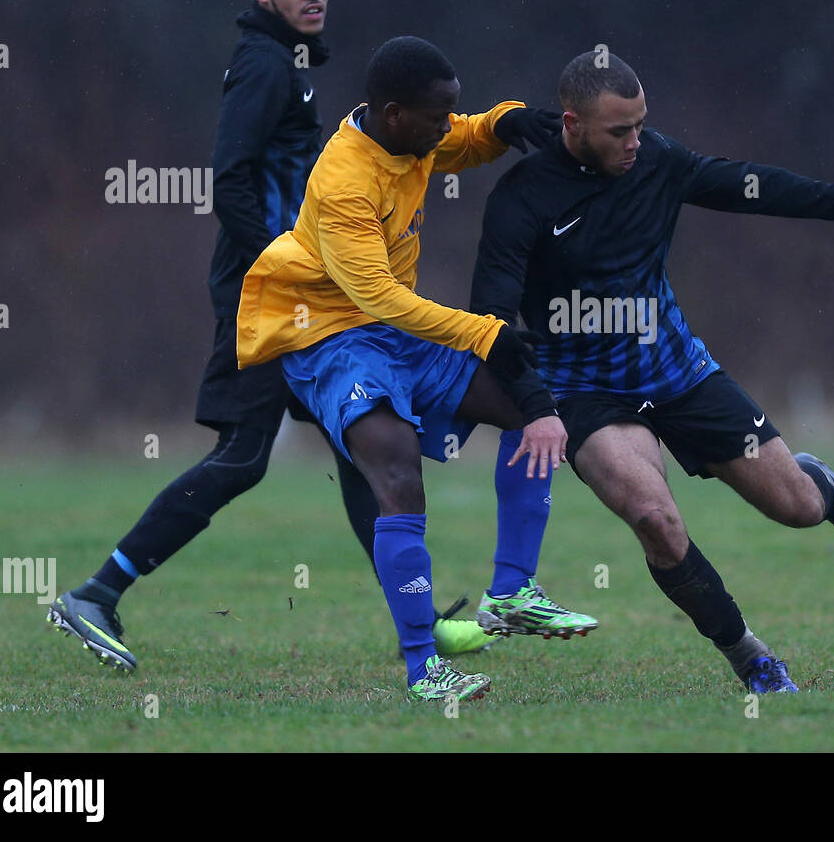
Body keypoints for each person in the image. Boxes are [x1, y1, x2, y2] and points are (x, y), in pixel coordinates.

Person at [47, 0, 486, 671]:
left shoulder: (289, 58)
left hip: (305, 305)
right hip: (272, 304)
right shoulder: (265, 65)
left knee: (361, 452)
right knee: (244, 458)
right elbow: (230, 179)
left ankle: (419, 622)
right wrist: (281, 272)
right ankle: (97, 592)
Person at [469, 51, 834, 693]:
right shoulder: (521, 199)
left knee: (795, 509)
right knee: (655, 519)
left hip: (678, 373)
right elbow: (488, 321)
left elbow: (754, 186)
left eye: (640, 125)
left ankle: (818, 484)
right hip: (583, 393)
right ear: (571, 124)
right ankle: (750, 656)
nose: (635, 143)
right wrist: (535, 404)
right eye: (618, 132)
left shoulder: (656, 160)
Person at [235, 35, 598, 702]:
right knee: (399, 475)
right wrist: (487, 334)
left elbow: (471, 139)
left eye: (449, 111)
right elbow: (378, 298)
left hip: (396, 333)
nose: (445, 125)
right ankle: (425, 671)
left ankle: (512, 590)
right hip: (331, 340)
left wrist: (508, 121)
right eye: (437, 115)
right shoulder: (345, 179)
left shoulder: (411, 137)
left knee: (532, 407)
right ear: (393, 112)